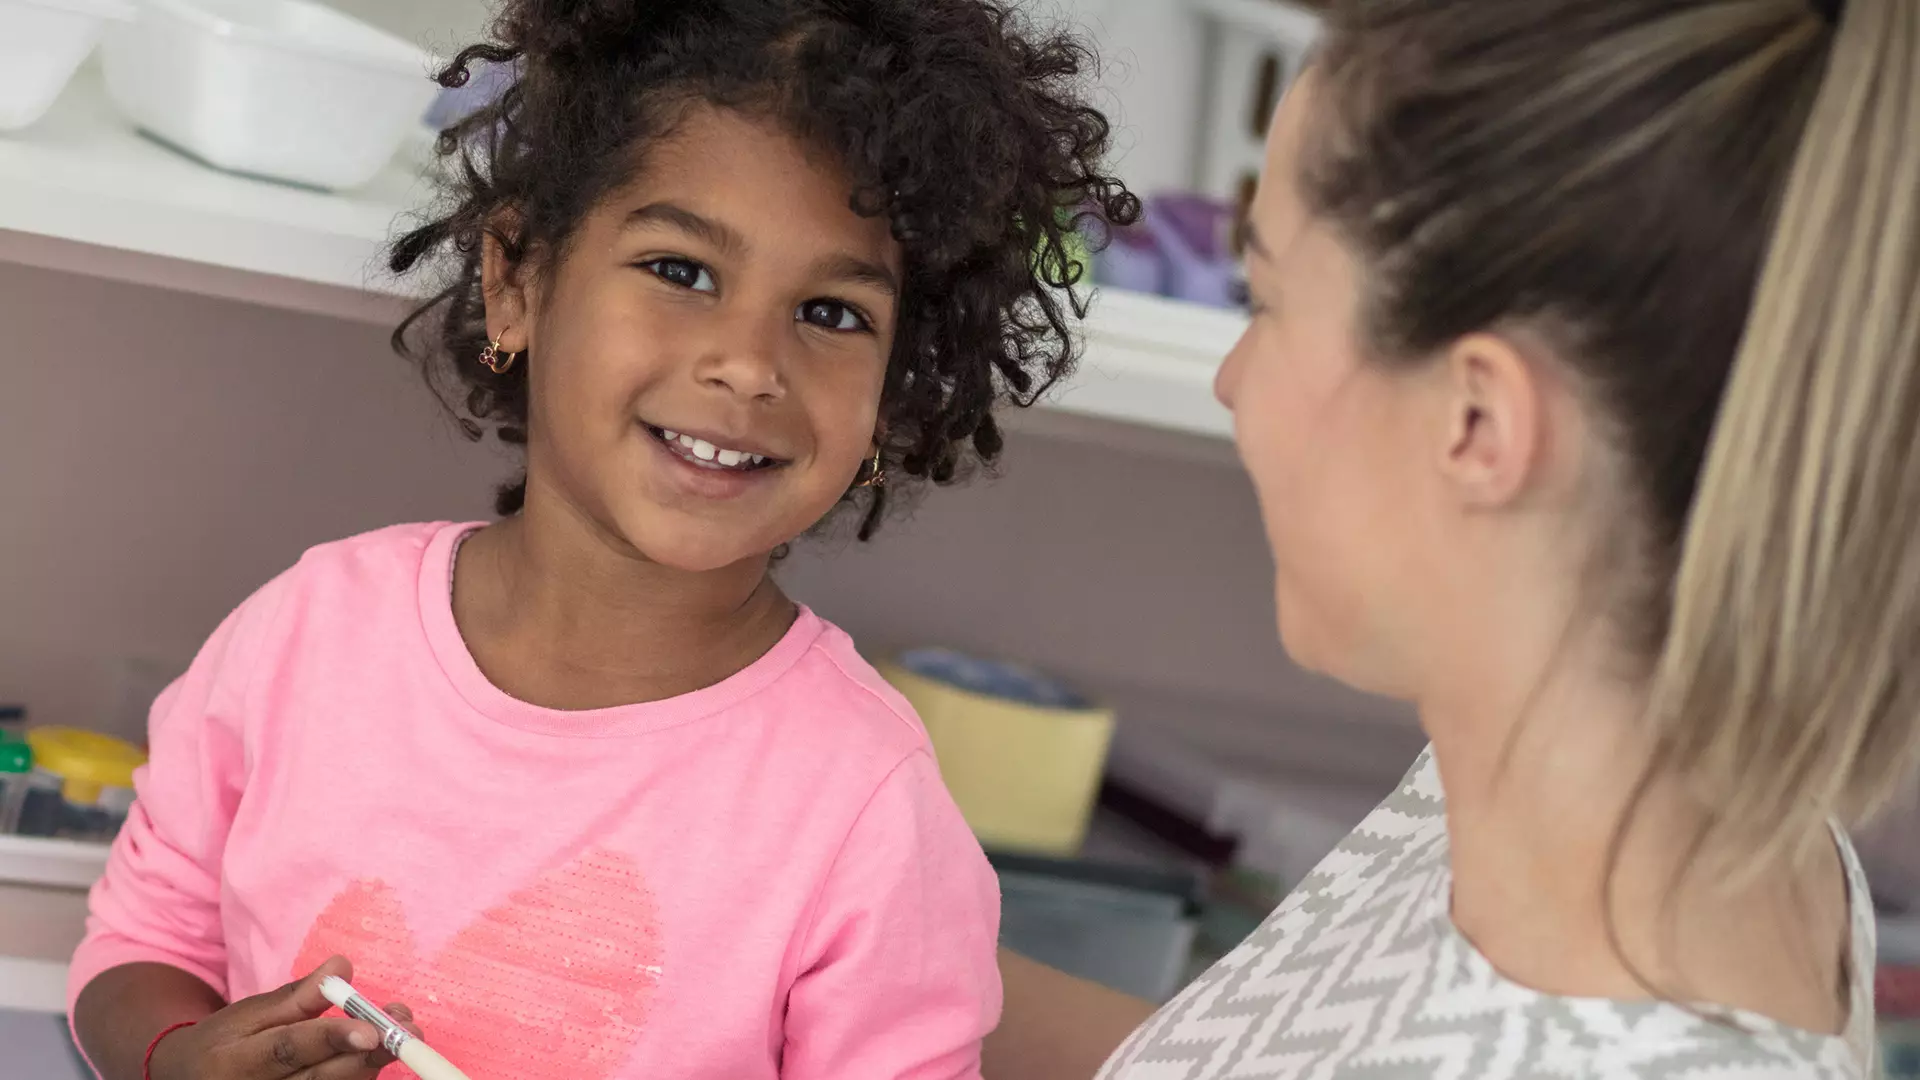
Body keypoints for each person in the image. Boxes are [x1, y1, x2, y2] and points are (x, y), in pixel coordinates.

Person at [67, 3, 1136, 1079]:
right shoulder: (308, 632)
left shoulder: (865, 808)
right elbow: (142, 946)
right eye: (681, 271)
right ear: (516, 279)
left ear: (895, 398)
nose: (749, 364)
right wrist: (174, 1058)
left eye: (831, 313)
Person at [986, 0, 1918, 1077]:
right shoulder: (1574, 804)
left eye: (1269, 298)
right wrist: (852, 950)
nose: (1233, 382)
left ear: (1476, 424)